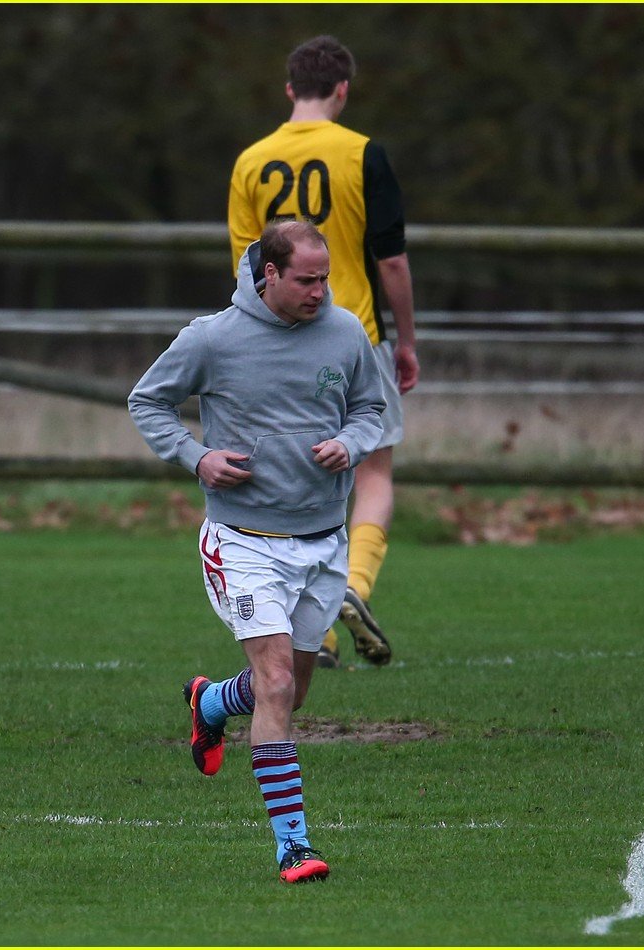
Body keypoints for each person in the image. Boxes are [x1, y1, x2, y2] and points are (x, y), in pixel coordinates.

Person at [128, 220, 386, 884]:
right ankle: (294, 846)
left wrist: (351, 445)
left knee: (291, 689)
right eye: (306, 279)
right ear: (268, 274)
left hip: (322, 544)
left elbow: (371, 412)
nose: (319, 290)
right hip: (242, 542)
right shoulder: (213, 337)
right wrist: (196, 456)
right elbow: (148, 400)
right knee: (274, 684)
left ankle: (210, 705)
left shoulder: (346, 332)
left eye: (325, 277)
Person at [228, 34, 418, 670]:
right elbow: (389, 259)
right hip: (355, 335)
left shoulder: (251, 161)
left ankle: (315, 628)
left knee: (293, 479)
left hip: (271, 346)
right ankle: (352, 590)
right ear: (343, 89)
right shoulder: (363, 153)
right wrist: (407, 338)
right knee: (373, 474)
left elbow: (244, 265)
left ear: (289, 90)